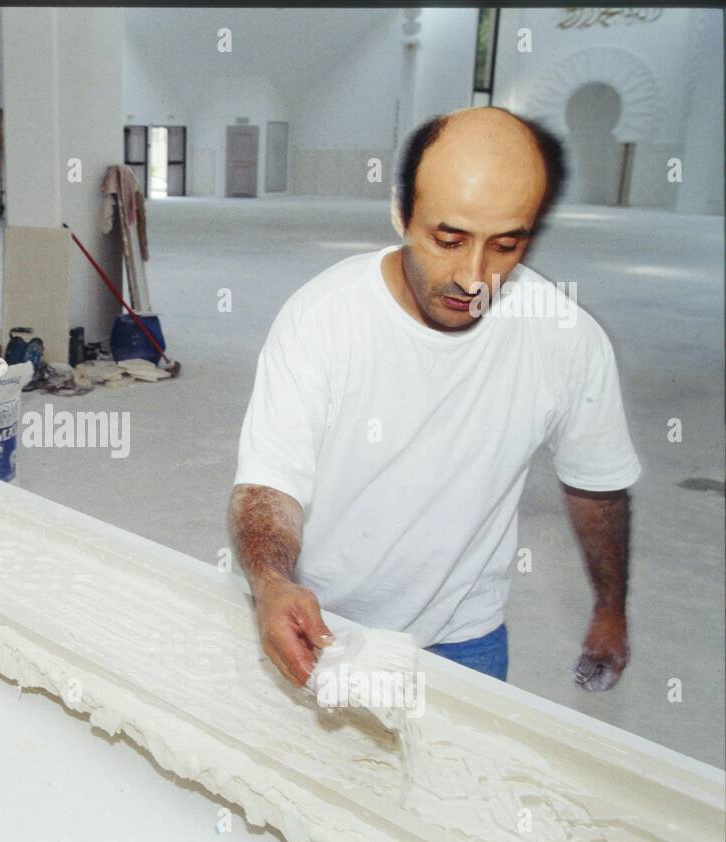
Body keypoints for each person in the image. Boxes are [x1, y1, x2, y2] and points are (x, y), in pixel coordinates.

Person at [229, 107, 640, 691]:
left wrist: (609, 609)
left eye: (505, 244)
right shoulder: (322, 318)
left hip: (466, 638)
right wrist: (271, 582)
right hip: (323, 621)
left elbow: (596, 487)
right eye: (448, 240)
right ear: (401, 215)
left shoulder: (567, 339)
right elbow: (271, 483)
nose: (474, 278)